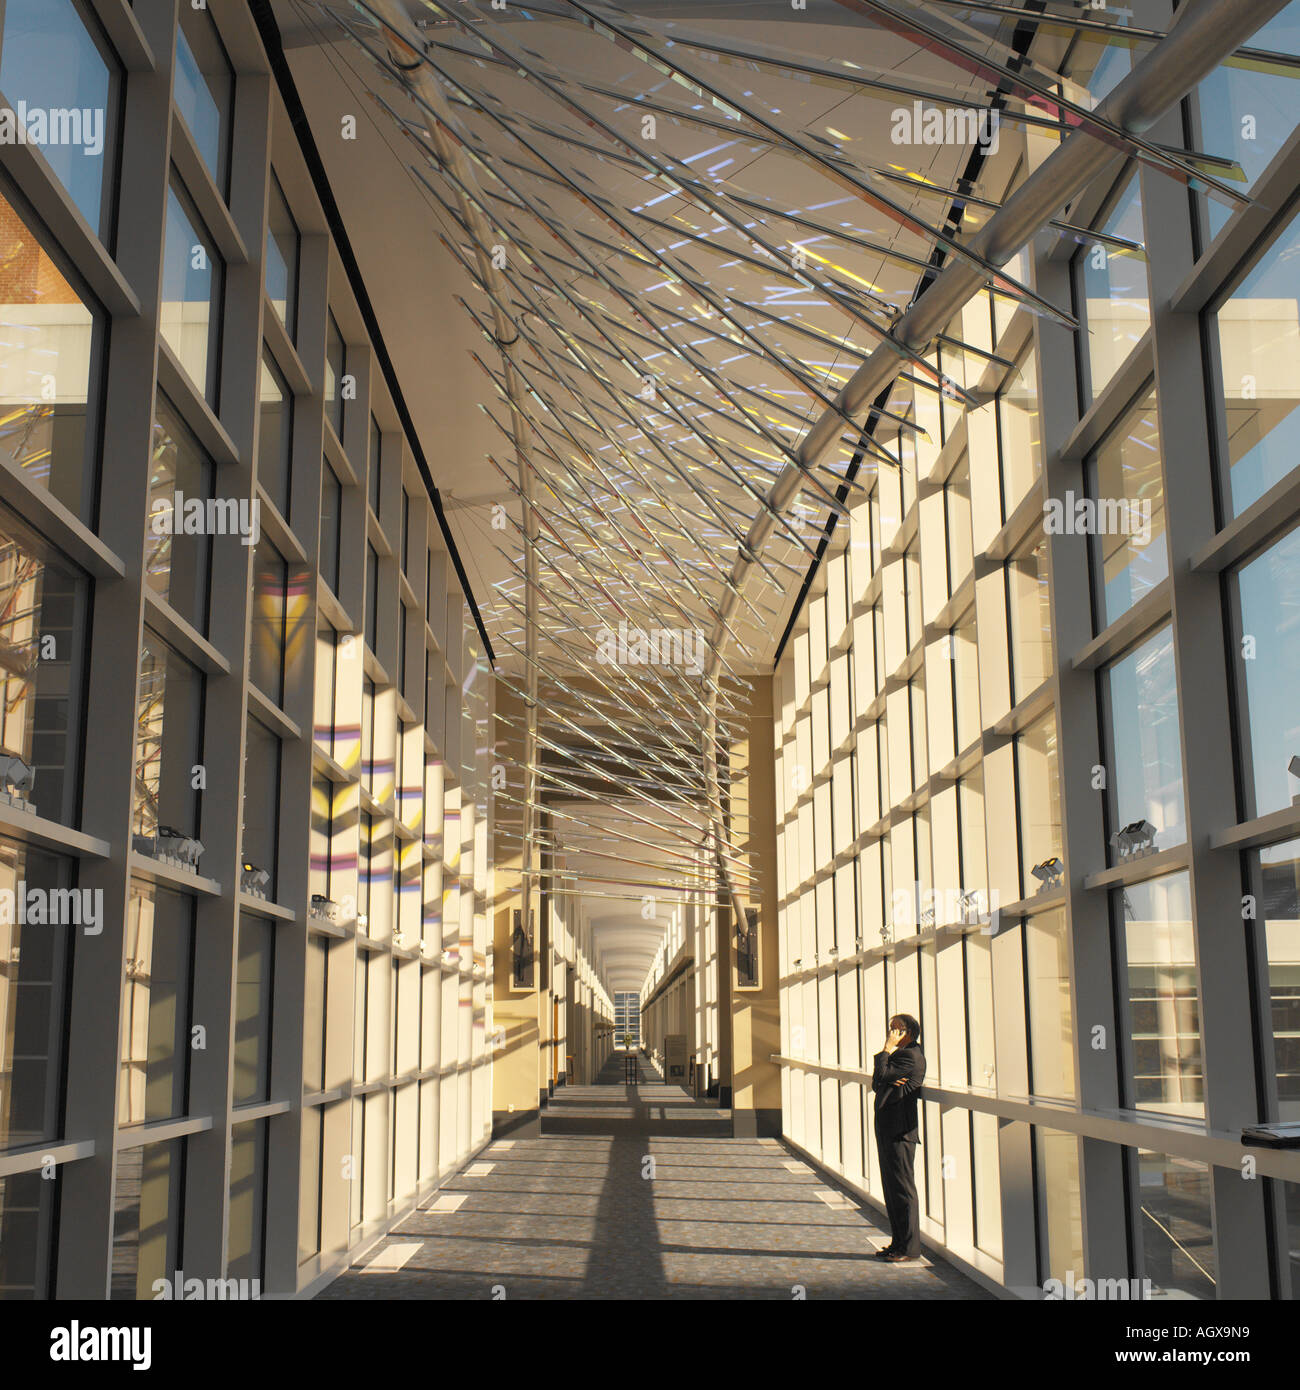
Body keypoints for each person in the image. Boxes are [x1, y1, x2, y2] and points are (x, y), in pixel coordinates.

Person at [872, 1013, 926, 1262]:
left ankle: (910, 1248)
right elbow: (878, 1083)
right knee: (891, 1189)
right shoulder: (898, 1056)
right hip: (888, 1129)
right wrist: (887, 1078)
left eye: (897, 1029)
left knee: (903, 1190)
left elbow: (882, 1077)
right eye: (891, 1028)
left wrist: (886, 1051)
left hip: (900, 1131)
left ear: (909, 1032)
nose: (892, 1033)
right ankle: (898, 1243)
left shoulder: (909, 1056)